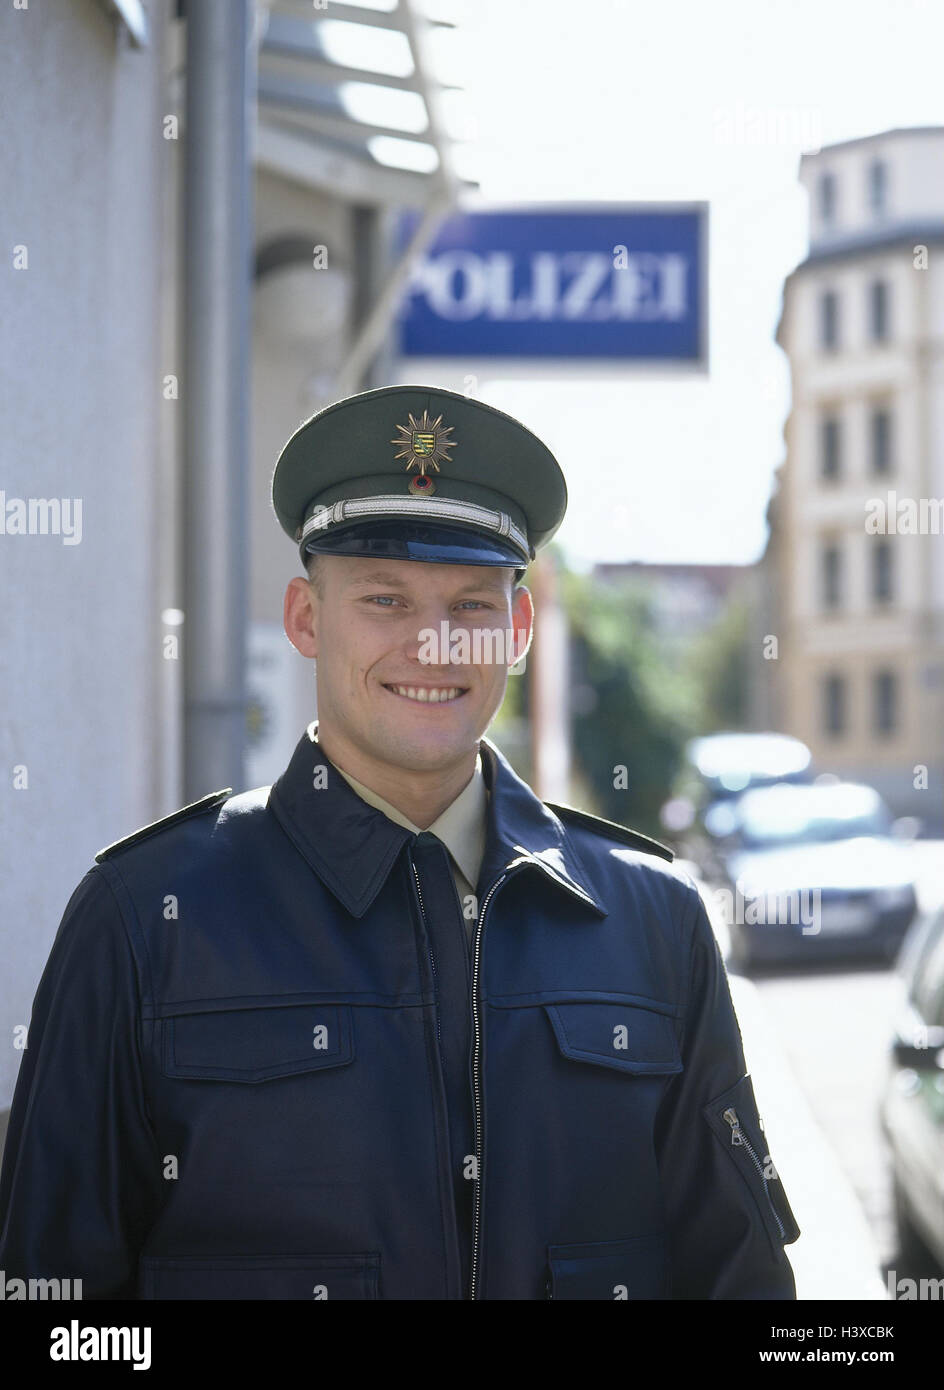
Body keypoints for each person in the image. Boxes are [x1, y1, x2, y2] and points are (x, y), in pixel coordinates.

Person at [0, 384, 799, 1300]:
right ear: (307, 618)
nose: (434, 644)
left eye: (470, 605)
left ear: (519, 630)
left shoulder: (653, 922)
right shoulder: (145, 920)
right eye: (383, 598)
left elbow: (745, 1291)